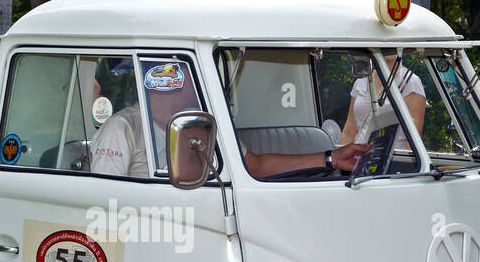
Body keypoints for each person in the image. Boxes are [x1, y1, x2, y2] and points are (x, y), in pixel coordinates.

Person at [91, 63, 370, 179]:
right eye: (194, 75)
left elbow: (255, 165)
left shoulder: (204, 122)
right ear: (169, 82)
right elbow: (104, 202)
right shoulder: (123, 127)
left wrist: (332, 158)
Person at [340, 52, 426, 150]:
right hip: (358, 159)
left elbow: (413, 141)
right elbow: (349, 131)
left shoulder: (410, 81)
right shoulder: (360, 81)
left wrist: (404, 164)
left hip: (390, 160)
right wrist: (335, 161)